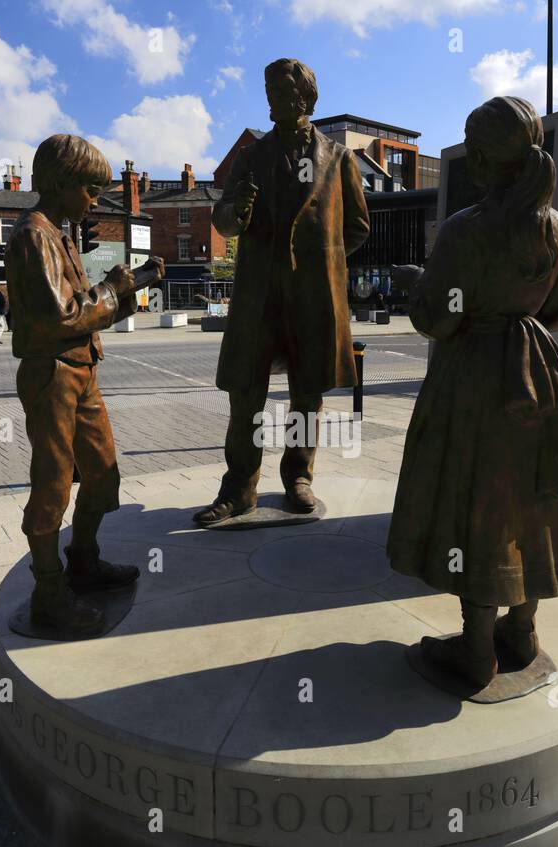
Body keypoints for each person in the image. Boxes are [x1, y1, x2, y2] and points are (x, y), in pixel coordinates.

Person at [387, 96, 558, 689]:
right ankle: (522, 631)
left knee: (474, 498)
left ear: (481, 157)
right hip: (537, 377)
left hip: (474, 378)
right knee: (535, 499)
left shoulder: (466, 230)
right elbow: (555, 312)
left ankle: (477, 649)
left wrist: (420, 284)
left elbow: (440, 318)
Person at [194, 57, 370, 524]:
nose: (274, 101)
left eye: (283, 94)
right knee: (245, 395)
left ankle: (298, 477)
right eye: (270, 93)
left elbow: (356, 227)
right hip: (260, 296)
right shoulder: (252, 157)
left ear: (306, 100)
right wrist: (239, 212)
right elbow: (224, 219)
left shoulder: (338, 158)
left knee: (307, 393)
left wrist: (323, 261)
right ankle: (239, 489)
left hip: (313, 299)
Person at [5, 132, 164, 636]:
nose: (96, 200)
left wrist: (133, 285)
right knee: (52, 485)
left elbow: (87, 318)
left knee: (103, 473)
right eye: (90, 190)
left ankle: (84, 561)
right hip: (52, 373)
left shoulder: (63, 234)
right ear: (61, 183)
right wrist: (114, 287)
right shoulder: (35, 234)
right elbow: (63, 316)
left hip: (82, 369)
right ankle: (49, 594)